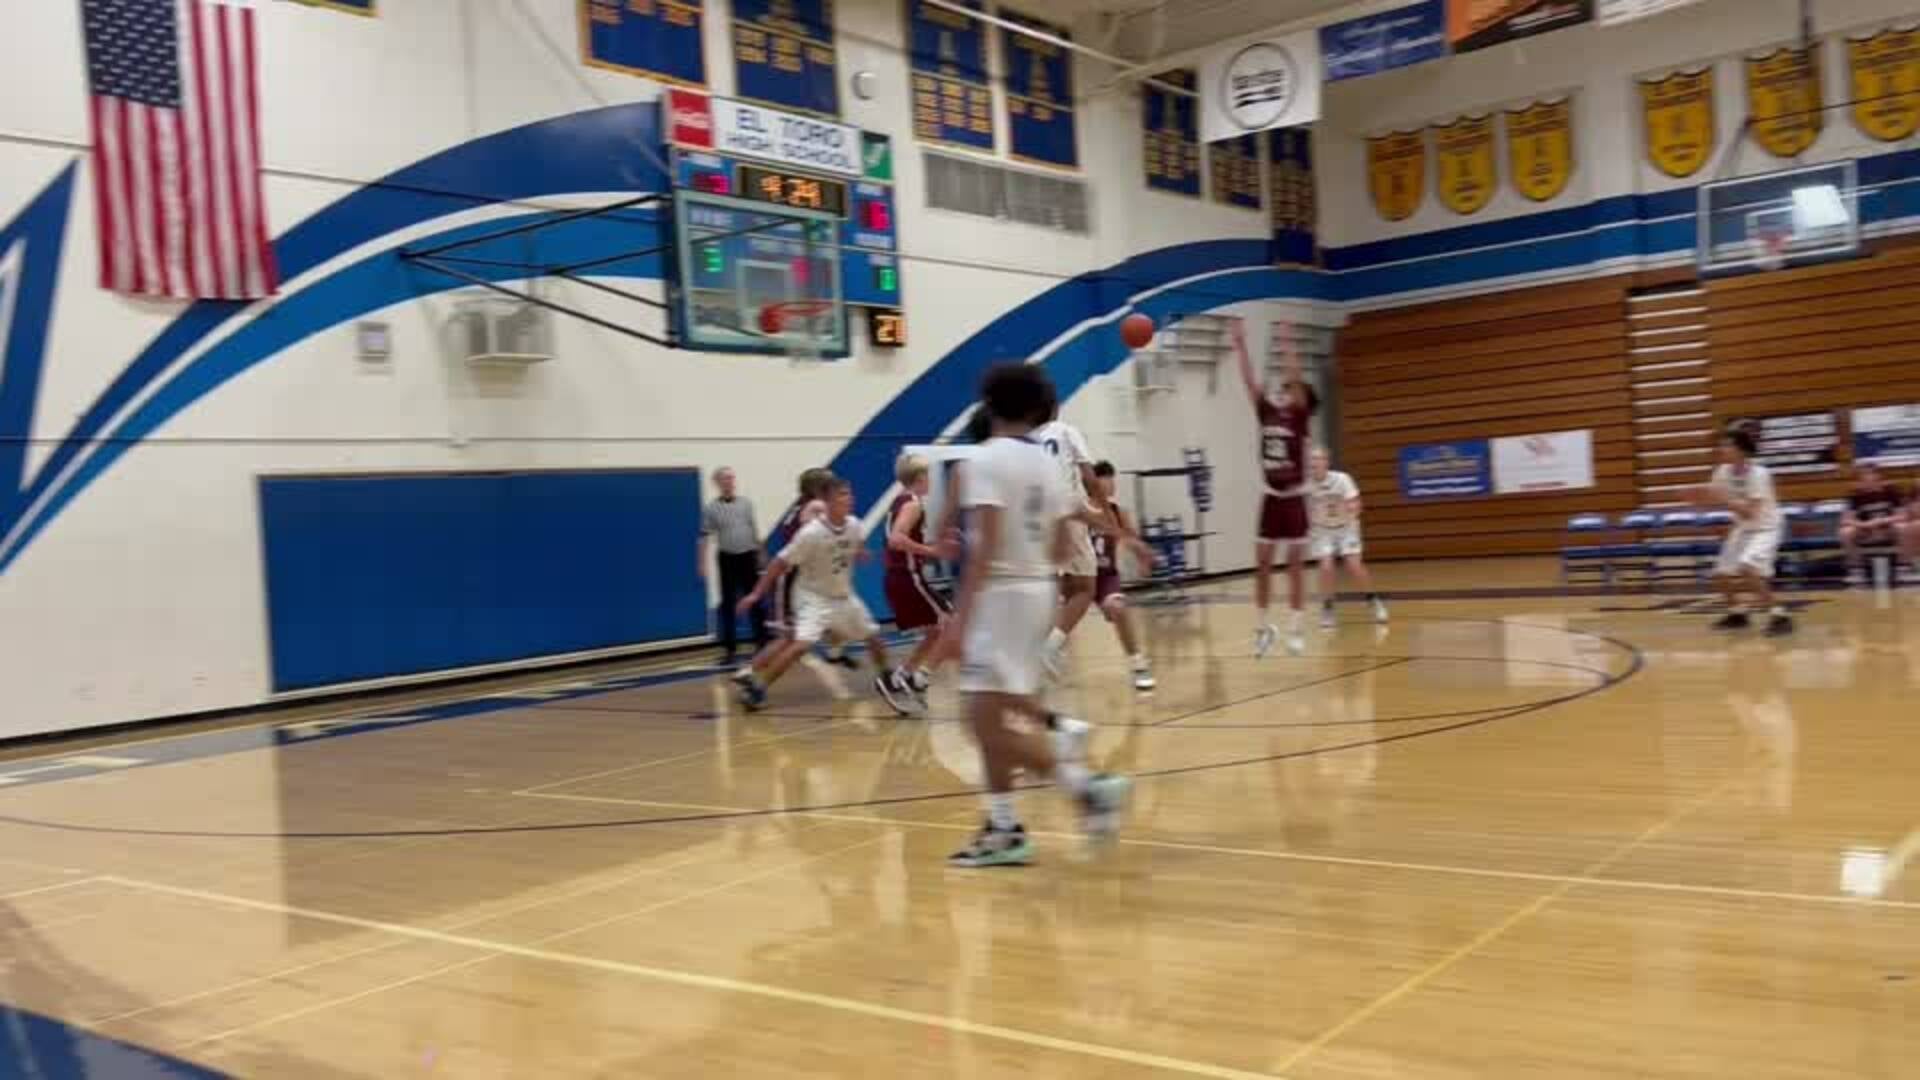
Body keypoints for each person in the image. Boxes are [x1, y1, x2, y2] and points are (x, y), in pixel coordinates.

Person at [941, 363, 1129, 868]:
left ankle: (1088, 789)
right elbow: (1055, 538)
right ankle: (1004, 828)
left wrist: (958, 619)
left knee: (981, 722)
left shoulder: (984, 460)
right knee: (996, 713)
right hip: (1038, 589)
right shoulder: (1049, 462)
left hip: (1000, 595)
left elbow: (980, 552)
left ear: (992, 402)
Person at [736, 477, 917, 715]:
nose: (850, 498)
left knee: (874, 637)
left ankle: (886, 677)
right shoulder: (810, 533)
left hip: (843, 595)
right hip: (812, 597)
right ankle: (757, 689)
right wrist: (755, 594)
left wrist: (861, 552)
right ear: (828, 501)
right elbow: (779, 563)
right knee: (800, 645)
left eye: (850, 494)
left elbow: (857, 542)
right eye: (843, 494)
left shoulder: (854, 524)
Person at [1231, 319, 1318, 657]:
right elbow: (1249, 381)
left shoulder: (1298, 416)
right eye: (1281, 388)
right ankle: (1263, 627)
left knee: (1295, 567)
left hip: (1294, 499)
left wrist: (1286, 341)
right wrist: (1240, 346)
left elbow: (1295, 376)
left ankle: (1296, 628)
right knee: (1263, 565)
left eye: (1289, 389)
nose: (1283, 390)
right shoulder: (1266, 411)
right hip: (1271, 499)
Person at [1696, 421, 1792, 636]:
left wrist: (1724, 500)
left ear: (1741, 450)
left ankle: (1780, 615)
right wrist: (1697, 497)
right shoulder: (1722, 471)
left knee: (1747, 567)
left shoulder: (1759, 474)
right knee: (1720, 574)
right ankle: (1737, 613)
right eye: (1721, 445)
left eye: (1727, 445)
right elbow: (1712, 496)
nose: (1722, 449)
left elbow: (1750, 512)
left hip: (1766, 527)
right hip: (1744, 527)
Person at [1031, 406, 1102, 679]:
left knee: (1063, 586)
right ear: (1054, 408)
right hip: (1066, 514)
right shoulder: (1065, 431)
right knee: (1086, 588)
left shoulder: (1024, 438)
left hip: (1035, 518)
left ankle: (1046, 644)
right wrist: (1104, 512)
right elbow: (1089, 478)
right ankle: (1049, 647)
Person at [882, 453, 950, 700]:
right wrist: (930, 550)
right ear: (920, 476)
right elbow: (896, 539)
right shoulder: (912, 503)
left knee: (936, 630)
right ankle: (919, 678)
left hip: (898, 576)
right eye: (928, 475)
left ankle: (900, 676)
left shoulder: (898, 501)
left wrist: (928, 546)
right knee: (951, 625)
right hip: (907, 576)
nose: (931, 480)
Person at [1089, 461, 1157, 691]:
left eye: (1112, 478)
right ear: (1092, 482)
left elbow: (1131, 538)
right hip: (1078, 577)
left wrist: (1144, 556)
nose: (1110, 483)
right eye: (1105, 478)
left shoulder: (1118, 512)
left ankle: (1138, 665)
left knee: (1118, 609)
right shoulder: (1080, 508)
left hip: (1106, 576)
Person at [1306, 447, 1388, 629]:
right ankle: (1328, 608)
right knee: (1326, 567)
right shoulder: (1308, 485)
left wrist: (1349, 513)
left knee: (1354, 566)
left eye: (1319, 459)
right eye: (1312, 460)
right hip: (1323, 531)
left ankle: (1374, 602)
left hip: (1346, 527)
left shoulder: (1342, 479)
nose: (1315, 463)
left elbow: (1357, 503)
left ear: (1326, 462)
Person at [698, 467, 768, 666]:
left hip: (748, 556)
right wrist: (702, 563)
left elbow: (755, 529)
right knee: (728, 604)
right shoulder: (710, 508)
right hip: (727, 558)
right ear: (717, 483)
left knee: (754, 599)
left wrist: (762, 554)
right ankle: (730, 649)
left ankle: (761, 643)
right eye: (725, 479)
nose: (729, 481)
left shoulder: (746, 504)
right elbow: (704, 537)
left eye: (731, 478)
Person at [1840, 460, 1915, 583]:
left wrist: (1883, 520)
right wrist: (1864, 524)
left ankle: (1903, 569)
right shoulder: (1855, 495)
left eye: (1871, 474)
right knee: (1846, 532)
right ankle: (1857, 571)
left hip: (1887, 529)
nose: (1868, 478)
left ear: (1878, 476)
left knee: (1903, 527)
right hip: (1866, 531)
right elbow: (1846, 520)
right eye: (1864, 475)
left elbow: (1903, 515)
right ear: (1860, 479)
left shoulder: (1891, 491)